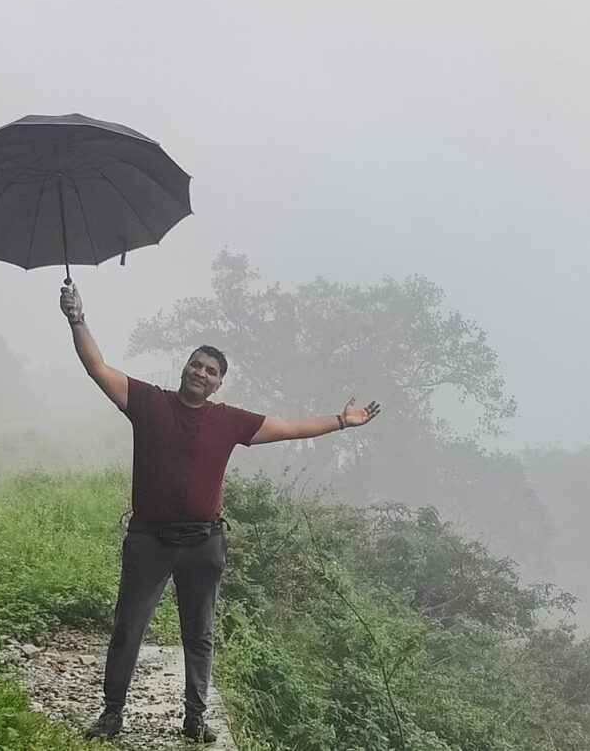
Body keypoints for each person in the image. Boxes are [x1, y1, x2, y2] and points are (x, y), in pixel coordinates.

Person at [60, 283, 381, 743]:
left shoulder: (229, 419)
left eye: (211, 370)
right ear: (184, 368)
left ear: (218, 383)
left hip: (203, 543)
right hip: (149, 539)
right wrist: (77, 319)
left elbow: (288, 427)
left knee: (200, 633)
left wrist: (340, 421)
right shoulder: (148, 402)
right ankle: (111, 714)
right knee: (128, 627)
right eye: (196, 364)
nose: (201, 373)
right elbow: (97, 367)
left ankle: (194, 718)